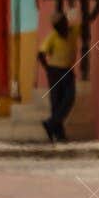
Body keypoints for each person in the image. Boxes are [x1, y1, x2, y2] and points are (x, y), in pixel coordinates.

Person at [37, 9, 79, 142]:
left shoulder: (73, 31)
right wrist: (48, 69)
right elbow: (40, 54)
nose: (60, 28)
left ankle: (51, 124)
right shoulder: (52, 37)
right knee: (57, 102)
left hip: (67, 70)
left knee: (69, 98)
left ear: (65, 23)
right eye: (57, 26)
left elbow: (86, 22)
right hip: (55, 72)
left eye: (62, 24)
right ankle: (59, 134)